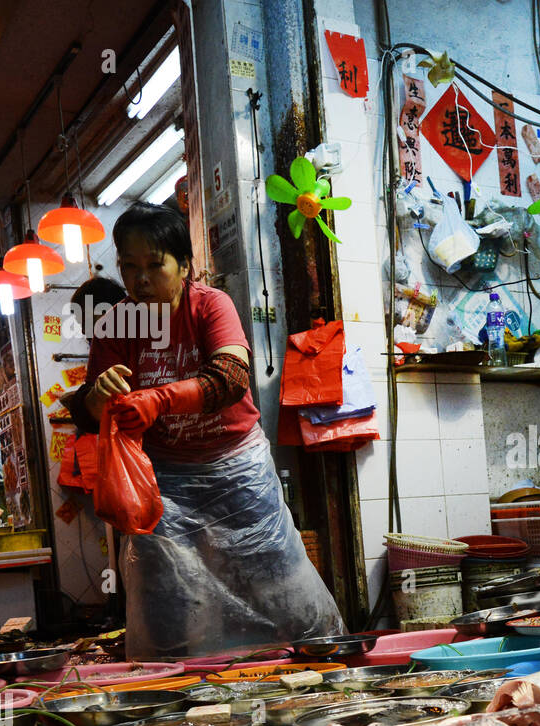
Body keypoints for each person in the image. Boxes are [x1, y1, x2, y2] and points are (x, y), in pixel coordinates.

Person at [67, 202, 342, 658]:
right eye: (129, 267)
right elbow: (88, 410)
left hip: (235, 467)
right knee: (167, 594)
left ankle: (326, 665)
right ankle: (176, 692)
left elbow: (231, 379)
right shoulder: (118, 323)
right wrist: (98, 397)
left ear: (184, 265)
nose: (140, 280)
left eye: (155, 265)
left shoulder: (210, 305)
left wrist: (160, 398)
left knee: (277, 576)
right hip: (164, 481)